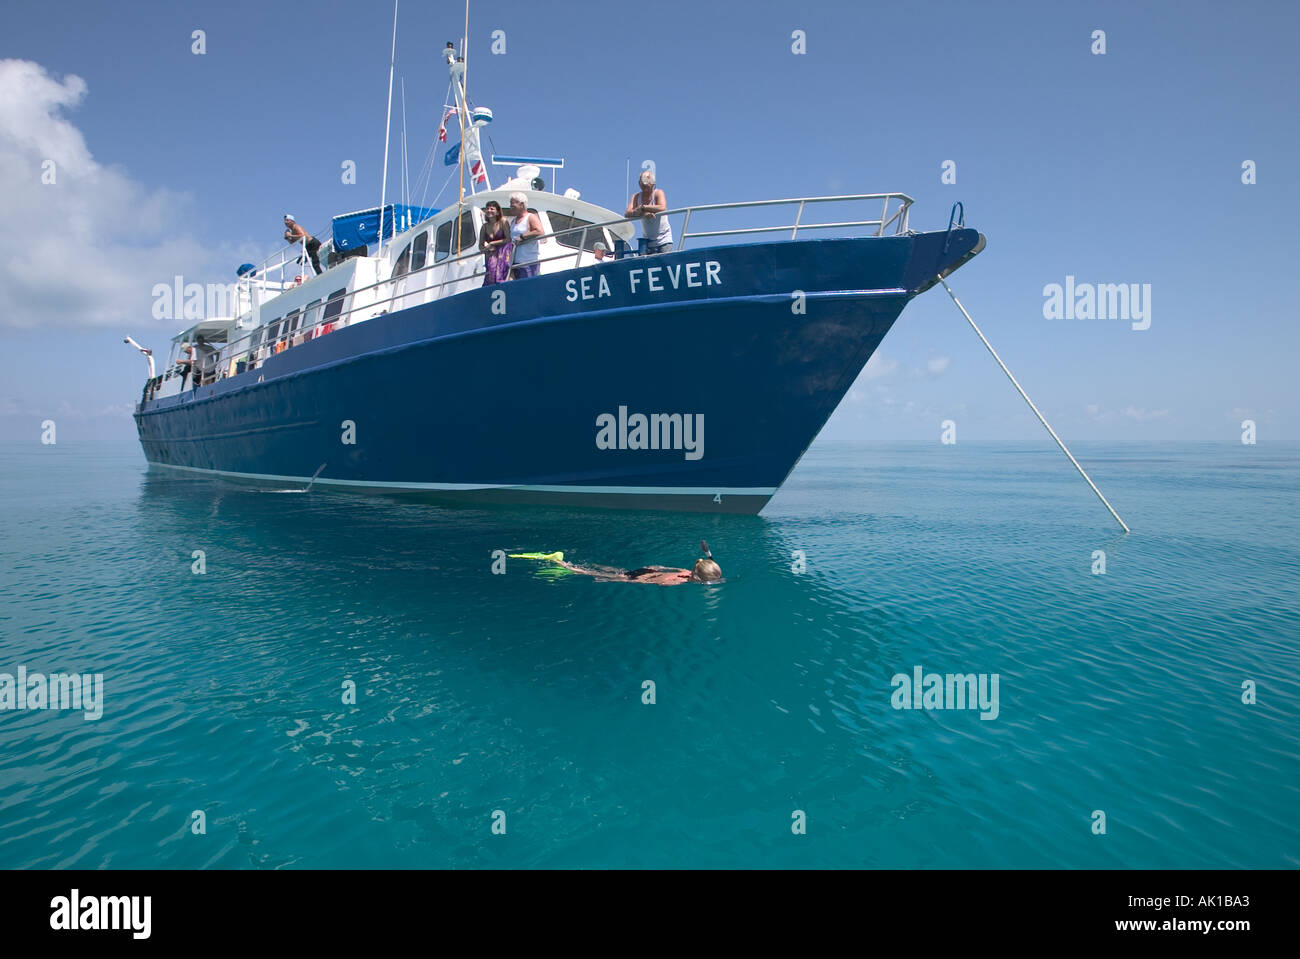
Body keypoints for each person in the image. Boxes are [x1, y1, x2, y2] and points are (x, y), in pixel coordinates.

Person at [509, 541, 722, 586]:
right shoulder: (680, 582)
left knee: (615, 569)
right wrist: (621, 582)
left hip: (648, 569)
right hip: (644, 576)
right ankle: (560, 563)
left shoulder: (687, 569)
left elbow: (664, 568)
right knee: (585, 573)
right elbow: (657, 583)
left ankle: (567, 562)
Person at [625, 170, 673, 255]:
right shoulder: (636, 197)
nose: (644, 187)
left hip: (664, 240)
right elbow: (627, 213)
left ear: (653, 184)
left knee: (666, 266)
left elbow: (662, 207)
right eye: (642, 184)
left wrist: (644, 207)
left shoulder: (658, 193)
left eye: (646, 185)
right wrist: (642, 214)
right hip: (647, 242)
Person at [508, 193, 545, 280]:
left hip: (528, 263)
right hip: (515, 264)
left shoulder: (530, 217)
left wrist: (522, 237)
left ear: (522, 204)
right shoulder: (513, 221)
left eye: (512, 204)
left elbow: (540, 231)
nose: (510, 207)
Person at [479, 200, 513, 285]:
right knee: (491, 273)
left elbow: (508, 239)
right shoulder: (484, 226)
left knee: (501, 272)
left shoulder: (503, 222)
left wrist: (492, 243)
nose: (489, 210)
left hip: (504, 251)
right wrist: (485, 249)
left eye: (492, 209)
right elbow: (480, 245)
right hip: (492, 254)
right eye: (487, 209)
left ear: (497, 212)